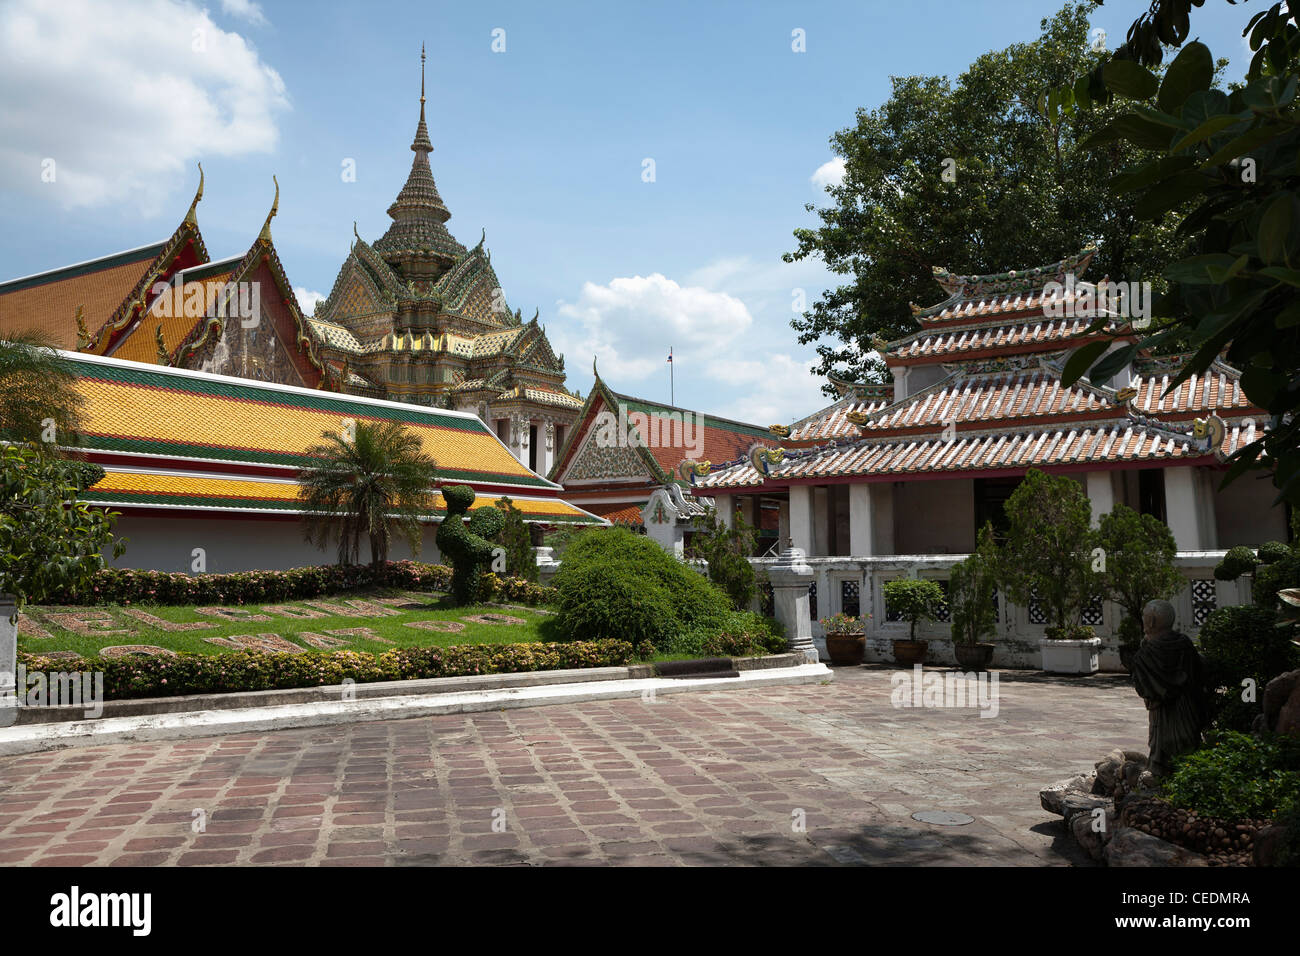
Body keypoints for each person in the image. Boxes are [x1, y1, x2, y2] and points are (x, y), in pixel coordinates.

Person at [1128, 599, 1210, 778]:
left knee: (1163, 745)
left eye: (1144, 616)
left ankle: (1162, 771)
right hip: (1188, 709)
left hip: (1164, 712)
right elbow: (1200, 671)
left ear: (1151, 622)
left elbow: (1145, 687)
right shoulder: (1184, 644)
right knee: (1187, 746)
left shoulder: (1146, 655)